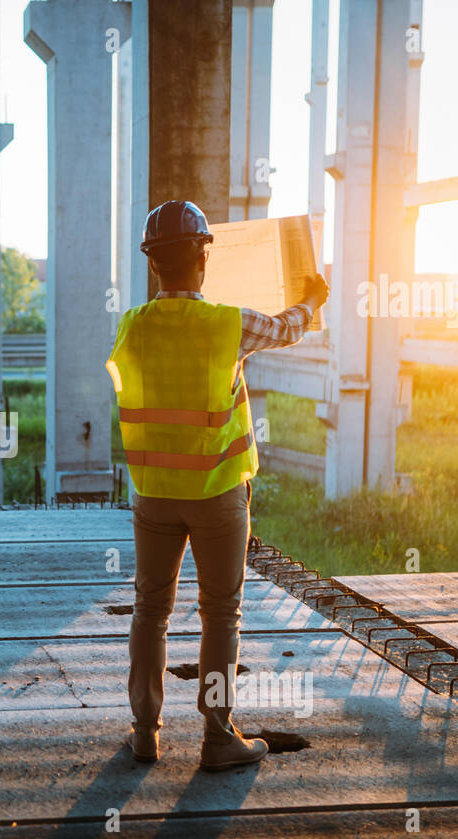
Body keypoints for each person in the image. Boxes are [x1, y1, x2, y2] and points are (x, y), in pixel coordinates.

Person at [105, 200, 330, 770]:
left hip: (153, 494)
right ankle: (216, 737)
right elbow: (288, 328)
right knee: (220, 615)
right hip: (217, 495)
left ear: (153, 265)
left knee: (149, 610)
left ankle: (144, 732)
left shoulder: (130, 325)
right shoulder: (230, 324)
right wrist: (312, 300)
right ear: (205, 257)